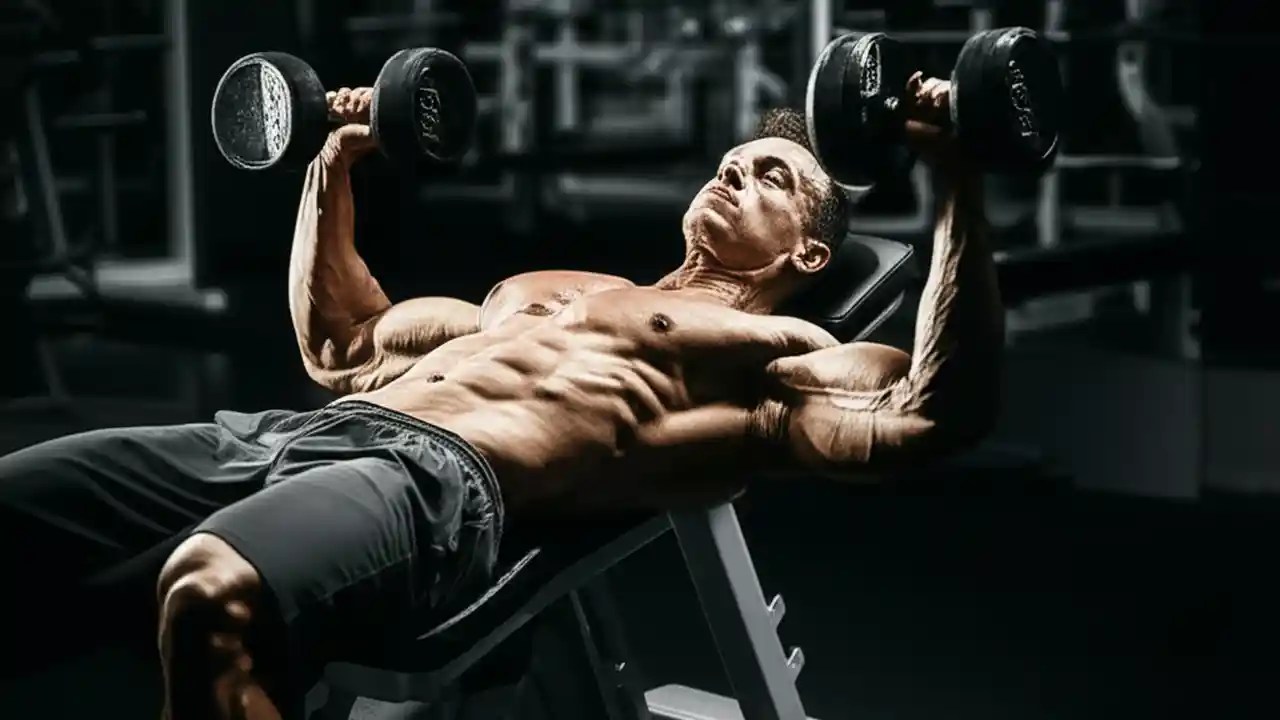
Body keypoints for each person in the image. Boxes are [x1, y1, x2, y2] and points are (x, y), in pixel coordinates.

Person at [0, 77, 1002, 720]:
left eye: (769, 177)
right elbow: (344, 344)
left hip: (433, 483)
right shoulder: (544, 294)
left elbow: (925, 412)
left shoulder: (774, 354)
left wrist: (957, 182)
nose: (734, 172)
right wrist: (332, 163)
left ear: (809, 253)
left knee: (208, 590)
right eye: (730, 162)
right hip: (290, 434)